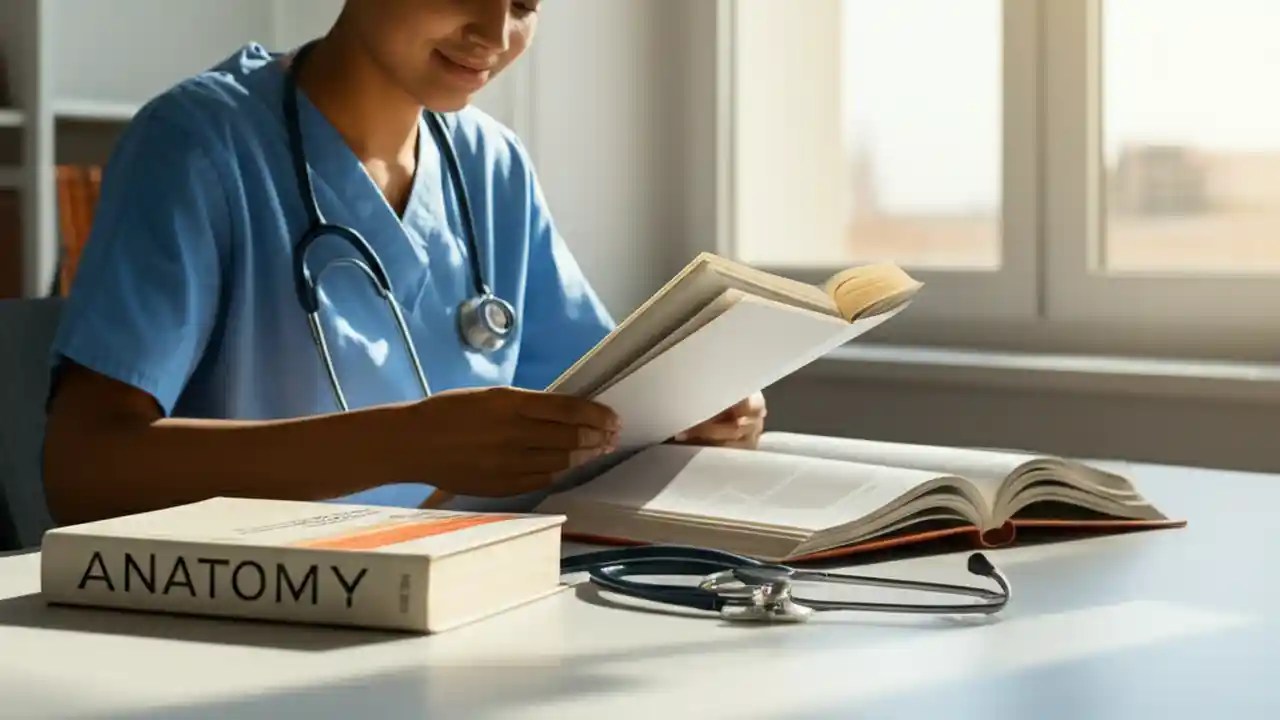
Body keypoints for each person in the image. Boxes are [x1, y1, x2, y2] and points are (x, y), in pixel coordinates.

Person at [42, 0, 766, 525]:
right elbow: (84, 469)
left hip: (469, 598)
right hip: (254, 612)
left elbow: (596, 410)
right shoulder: (200, 145)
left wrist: (682, 415)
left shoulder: (492, 166)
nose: (494, 32)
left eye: (524, 3)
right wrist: (402, 444)